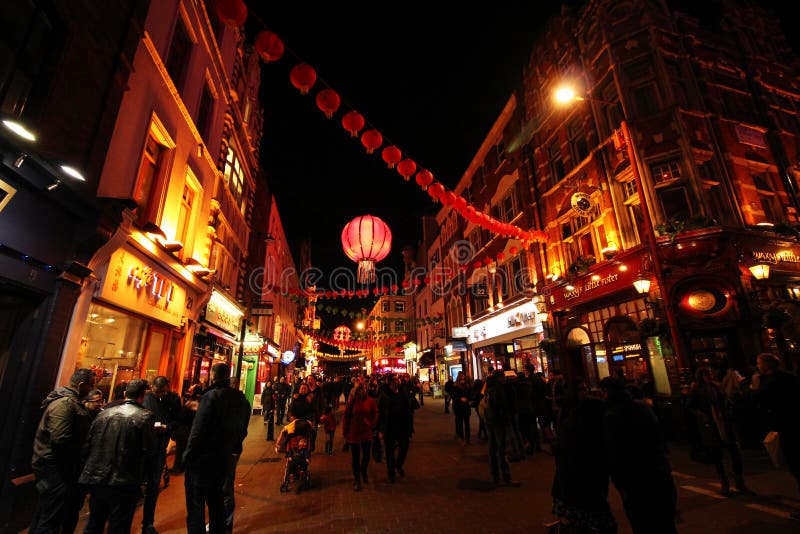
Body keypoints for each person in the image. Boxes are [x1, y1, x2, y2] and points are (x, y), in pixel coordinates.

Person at [79, 379, 156, 534]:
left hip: (97, 476)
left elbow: (88, 444)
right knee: (119, 524)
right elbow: (148, 449)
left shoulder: (104, 413)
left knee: (94, 522)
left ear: (126, 394)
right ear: (143, 396)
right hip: (124, 479)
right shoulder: (144, 416)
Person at [600, 376, 676, 533]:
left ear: (606, 393)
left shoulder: (612, 416)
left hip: (635, 481)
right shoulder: (643, 408)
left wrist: (620, 484)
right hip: (660, 473)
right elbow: (658, 437)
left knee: (643, 525)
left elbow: (615, 454)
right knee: (666, 524)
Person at [183, 364, 250, 534]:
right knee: (217, 500)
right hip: (224, 457)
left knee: (196, 505)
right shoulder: (241, 400)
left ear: (213, 375)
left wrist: (188, 455)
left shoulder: (211, 396)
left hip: (203, 459)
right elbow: (242, 431)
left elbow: (197, 431)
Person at [29, 367, 96, 534]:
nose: (92, 389)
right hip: (55, 471)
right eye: (90, 385)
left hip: (60, 470)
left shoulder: (70, 402)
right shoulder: (65, 404)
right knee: (51, 519)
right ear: (81, 385)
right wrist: (81, 453)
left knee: (50, 515)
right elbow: (60, 439)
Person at [551, 379, 616, 533]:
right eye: (581, 389)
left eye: (586, 388)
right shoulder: (575, 419)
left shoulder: (583, 416)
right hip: (577, 487)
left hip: (574, 487)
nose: (585, 392)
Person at [687, 366, 753, 496]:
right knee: (717, 454)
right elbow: (690, 406)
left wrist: (728, 409)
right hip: (711, 424)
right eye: (707, 375)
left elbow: (725, 401)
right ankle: (725, 483)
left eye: (710, 374)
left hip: (723, 421)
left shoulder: (717, 387)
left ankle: (739, 482)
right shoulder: (697, 390)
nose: (710, 377)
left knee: (734, 453)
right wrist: (701, 414)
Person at [751, 352, 800, 520]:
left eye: (759, 363)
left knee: (796, 465)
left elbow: (760, 401)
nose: (757, 366)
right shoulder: (789, 377)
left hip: (787, 426)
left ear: (766, 365)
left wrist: (755, 388)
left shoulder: (770, 383)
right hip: (793, 423)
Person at [141, 376, 182, 533]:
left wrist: (168, 427)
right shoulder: (145, 398)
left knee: (153, 485)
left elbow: (178, 419)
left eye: (163, 392)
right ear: (152, 388)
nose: (160, 395)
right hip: (143, 446)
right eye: (158, 392)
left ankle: (148, 523)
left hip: (159, 446)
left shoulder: (173, 399)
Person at [222, 376, 251, 533]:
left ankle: (226, 524)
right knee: (223, 486)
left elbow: (241, 428)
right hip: (230, 448)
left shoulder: (239, 403)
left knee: (226, 487)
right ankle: (222, 522)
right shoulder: (241, 402)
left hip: (231, 449)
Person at [342, 381, 378, 491]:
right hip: (354, 433)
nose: (362, 391)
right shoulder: (352, 402)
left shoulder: (371, 401)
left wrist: (372, 425)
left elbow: (375, 413)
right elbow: (346, 417)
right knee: (355, 458)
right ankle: (357, 479)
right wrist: (345, 432)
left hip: (366, 432)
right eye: (360, 389)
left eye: (364, 389)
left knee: (367, 456)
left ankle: (363, 470)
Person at [378, 374, 413, 482]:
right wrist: (380, 429)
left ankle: (398, 465)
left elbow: (408, 408)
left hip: (402, 425)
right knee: (389, 451)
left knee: (404, 446)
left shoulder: (402, 392)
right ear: (389, 382)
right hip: (389, 426)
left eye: (397, 379)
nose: (397, 382)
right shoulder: (383, 394)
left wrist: (410, 426)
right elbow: (380, 412)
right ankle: (391, 473)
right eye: (394, 380)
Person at [171, 384, 202, 474]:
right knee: (182, 448)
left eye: (192, 387)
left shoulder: (193, 402)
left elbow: (185, 416)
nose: (190, 388)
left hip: (186, 428)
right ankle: (181, 467)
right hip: (189, 428)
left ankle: (178, 468)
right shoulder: (197, 400)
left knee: (180, 449)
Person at [452, 372, 472, 444]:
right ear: (459, 380)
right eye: (461, 379)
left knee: (467, 424)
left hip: (466, 407)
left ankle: (467, 438)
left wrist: (468, 399)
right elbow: (454, 397)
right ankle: (461, 437)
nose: (463, 381)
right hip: (458, 407)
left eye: (464, 379)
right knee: (460, 423)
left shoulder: (467, 387)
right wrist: (460, 399)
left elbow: (470, 395)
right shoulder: (456, 387)